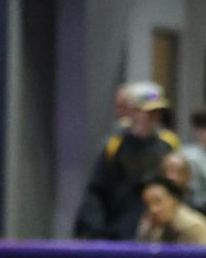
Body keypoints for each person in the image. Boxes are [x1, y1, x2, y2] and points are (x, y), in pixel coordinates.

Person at [74, 87, 181, 240]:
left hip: (157, 229)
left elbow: (177, 186)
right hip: (119, 227)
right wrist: (95, 229)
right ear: (133, 112)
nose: (153, 118)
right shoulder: (114, 145)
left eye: (157, 112)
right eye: (148, 112)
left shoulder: (169, 144)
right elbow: (97, 190)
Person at [136, 177, 206, 246]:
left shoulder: (192, 226)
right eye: (148, 204)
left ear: (174, 200)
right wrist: (148, 230)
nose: (153, 209)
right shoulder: (154, 225)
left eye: (158, 201)